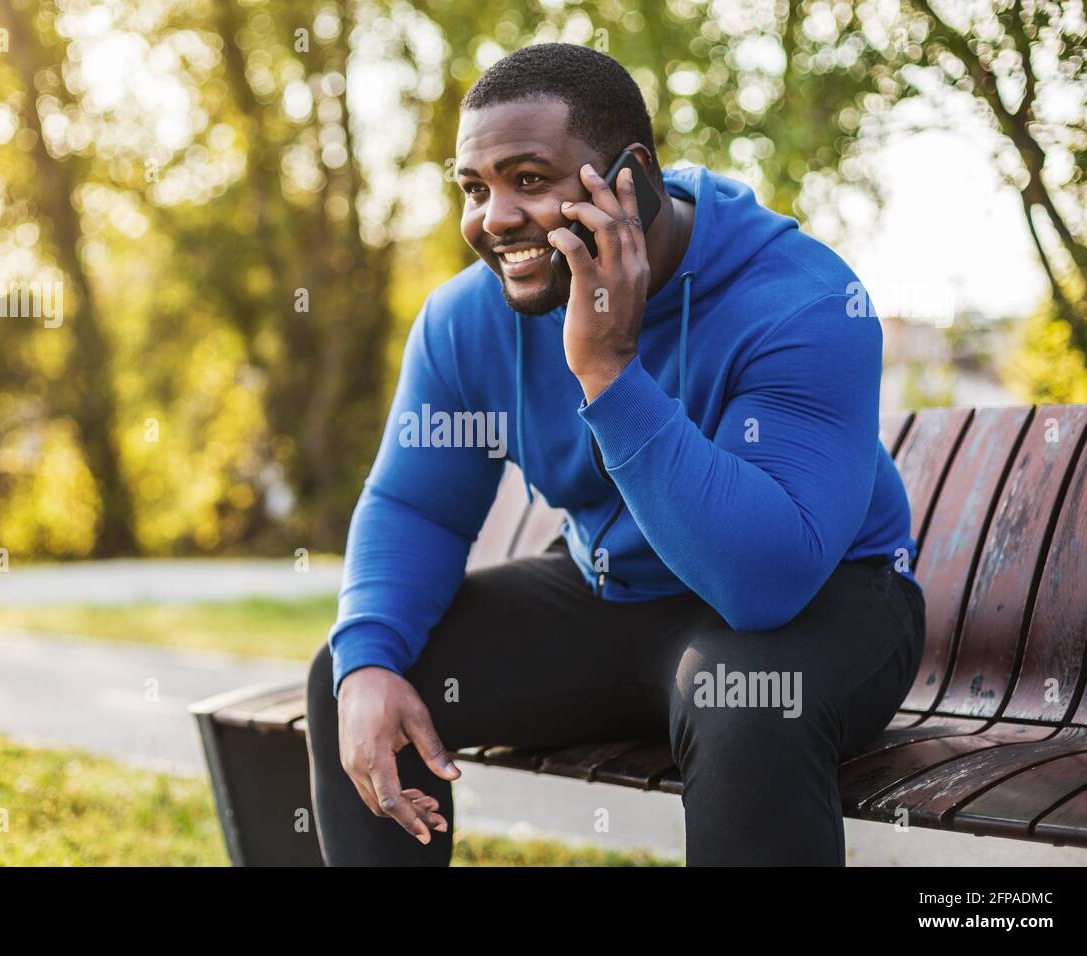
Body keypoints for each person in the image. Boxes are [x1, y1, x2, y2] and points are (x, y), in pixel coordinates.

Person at [304, 42, 926, 866]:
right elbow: (417, 505)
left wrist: (609, 370)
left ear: (628, 179)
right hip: (614, 595)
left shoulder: (800, 303)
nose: (493, 219)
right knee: (358, 673)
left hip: (824, 600)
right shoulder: (466, 320)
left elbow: (764, 585)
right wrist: (371, 654)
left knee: (741, 702)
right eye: (474, 188)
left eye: (529, 180)